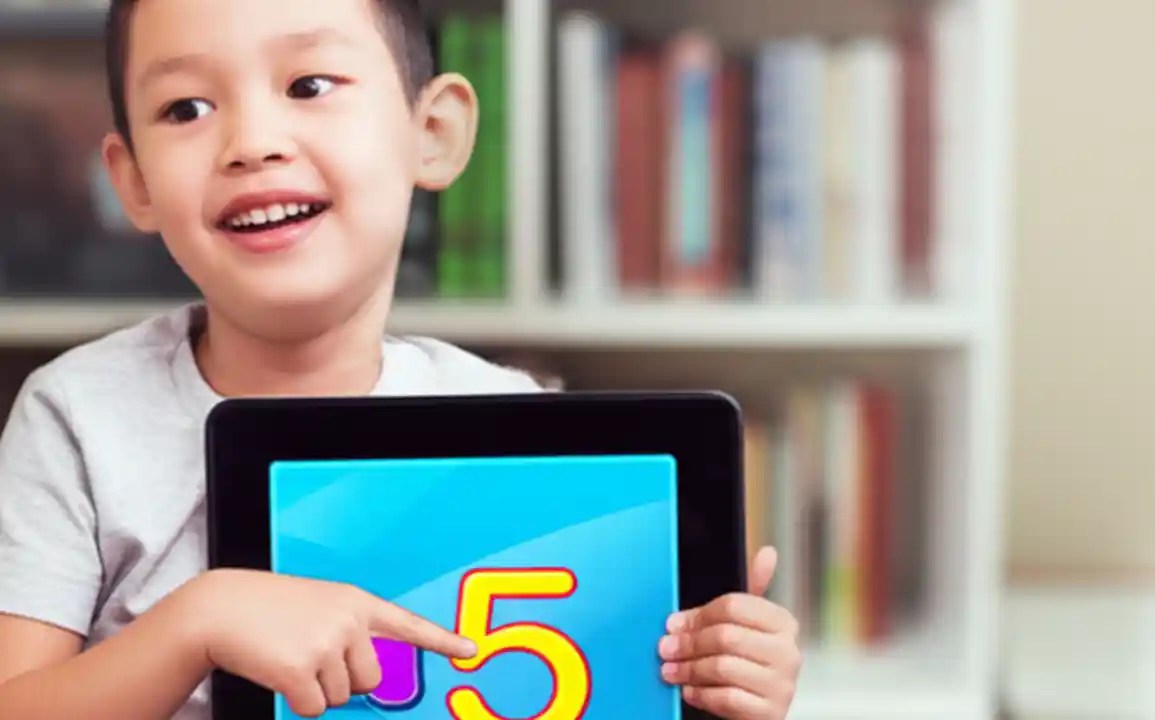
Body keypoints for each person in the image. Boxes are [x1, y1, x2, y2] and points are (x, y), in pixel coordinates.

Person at [0, 0, 803, 719]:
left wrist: (724, 677)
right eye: (187, 107)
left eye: (309, 85)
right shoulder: (76, 417)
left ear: (434, 133)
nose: (251, 143)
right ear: (133, 180)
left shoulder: (510, 413)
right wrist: (197, 624)